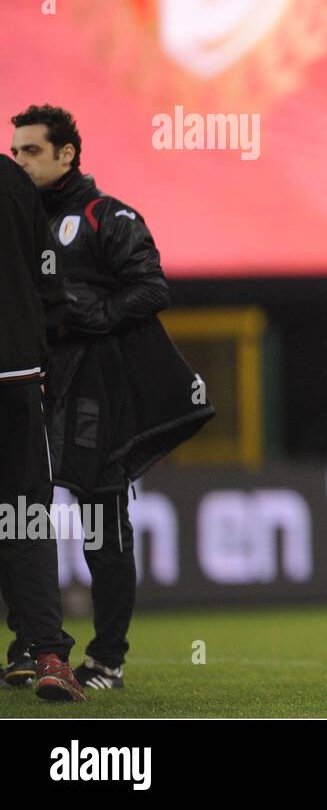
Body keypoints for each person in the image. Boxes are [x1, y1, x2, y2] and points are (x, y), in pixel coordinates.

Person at [3, 104, 213, 691]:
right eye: (14, 151)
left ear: (66, 155)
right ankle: (29, 647)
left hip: (95, 386)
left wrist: (94, 314)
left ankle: (107, 659)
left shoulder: (105, 216)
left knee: (101, 522)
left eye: (31, 151)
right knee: (20, 518)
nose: (19, 161)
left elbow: (152, 286)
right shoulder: (16, 216)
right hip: (32, 383)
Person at [0, 151, 83, 701]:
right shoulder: (12, 182)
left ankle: (32, 651)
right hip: (15, 377)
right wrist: (39, 349)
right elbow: (50, 279)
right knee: (25, 516)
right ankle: (45, 653)